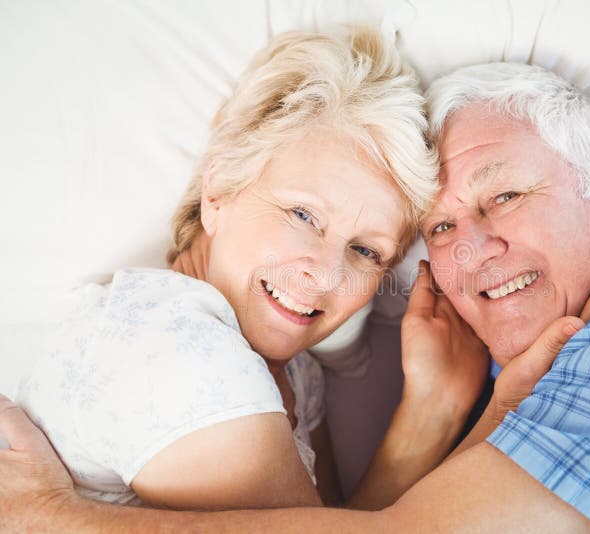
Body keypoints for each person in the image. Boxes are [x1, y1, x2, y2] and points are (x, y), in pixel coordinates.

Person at [3, 60, 590, 532]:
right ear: (218, 189)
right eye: (442, 227)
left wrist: (49, 516)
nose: (475, 250)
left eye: (505, 196)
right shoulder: (186, 348)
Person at [6, 26, 486, 512]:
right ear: (217, 192)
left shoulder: (295, 372)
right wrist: (439, 415)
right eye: (303, 216)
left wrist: (433, 407)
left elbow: (332, 525)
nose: (324, 277)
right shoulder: (180, 349)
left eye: (366, 252)